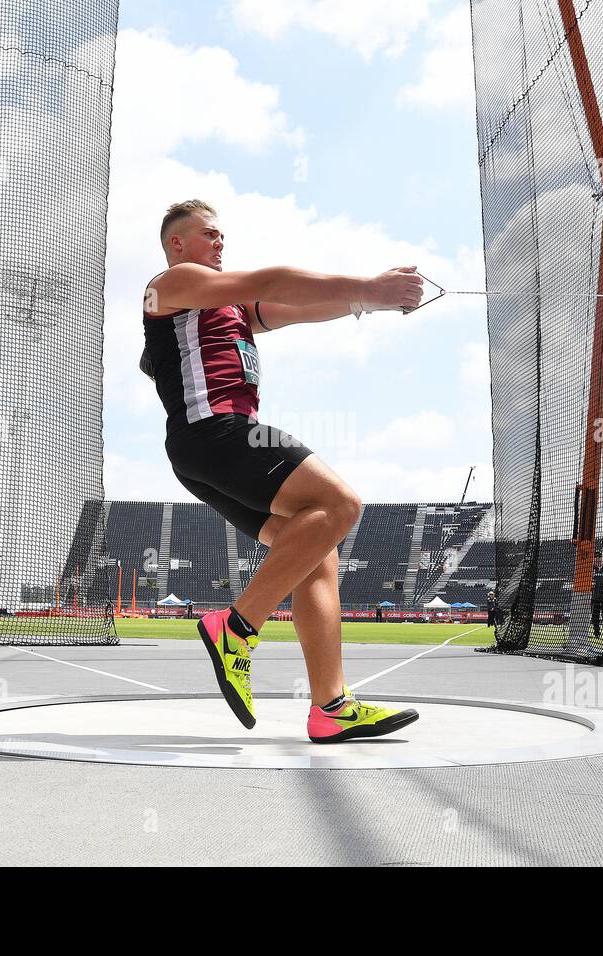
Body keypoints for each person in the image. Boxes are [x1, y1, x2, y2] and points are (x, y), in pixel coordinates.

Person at [142, 199, 422, 743]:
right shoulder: (172, 283)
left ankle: (330, 708)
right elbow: (274, 277)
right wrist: (371, 283)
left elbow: (294, 304)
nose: (220, 243)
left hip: (205, 452)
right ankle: (237, 627)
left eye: (222, 236)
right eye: (209, 235)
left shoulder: (232, 309)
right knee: (341, 504)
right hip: (219, 432)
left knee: (316, 554)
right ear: (177, 244)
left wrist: (370, 302)